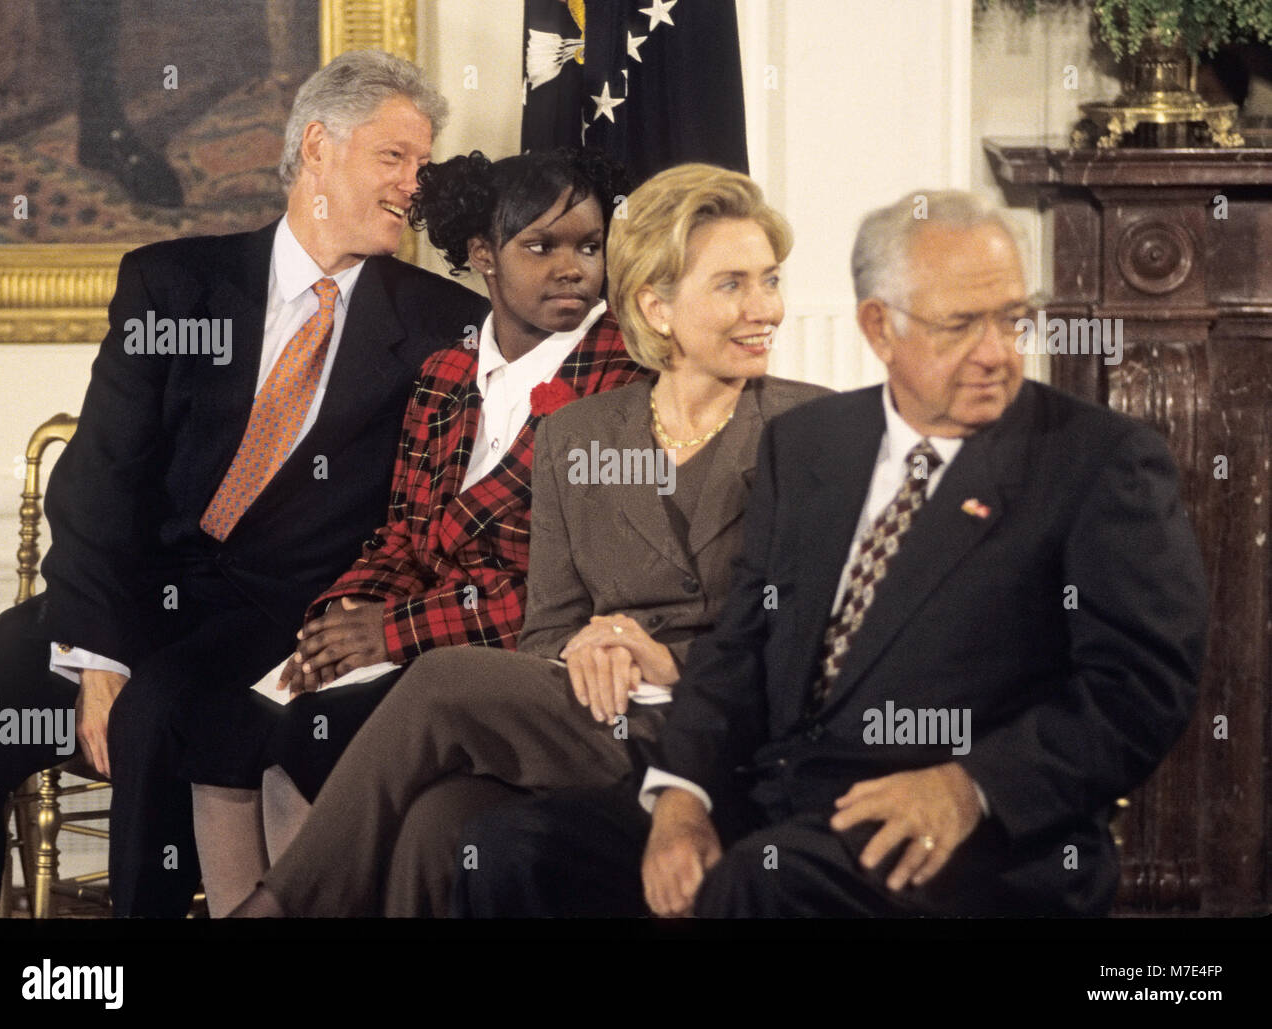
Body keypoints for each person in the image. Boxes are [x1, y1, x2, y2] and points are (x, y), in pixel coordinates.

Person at [453, 189, 1208, 919]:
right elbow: (742, 648)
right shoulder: (815, 444)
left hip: (966, 827)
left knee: (757, 883)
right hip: (779, 792)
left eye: (1011, 320)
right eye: (960, 325)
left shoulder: (1097, 461)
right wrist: (683, 795)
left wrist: (971, 784)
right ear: (880, 328)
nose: (994, 353)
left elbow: (1141, 684)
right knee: (513, 846)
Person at [229, 162, 831, 917]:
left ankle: (274, 909)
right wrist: (591, 646)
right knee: (437, 822)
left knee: (442, 681)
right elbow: (547, 626)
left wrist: (665, 658)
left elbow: (820, 642)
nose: (765, 308)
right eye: (733, 285)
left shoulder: (814, 434)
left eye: (769, 280)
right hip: (594, 713)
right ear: (657, 305)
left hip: (718, 727)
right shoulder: (579, 431)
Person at [0, 50, 489, 918]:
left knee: (159, 727)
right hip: (120, 603)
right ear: (318, 148)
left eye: (425, 164)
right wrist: (97, 654)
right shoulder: (172, 286)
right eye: (395, 158)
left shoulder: (443, 325)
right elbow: (100, 482)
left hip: (273, 629)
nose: (416, 184)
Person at [190, 146, 646, 914]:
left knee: (317, 732)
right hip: (422, 629)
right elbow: (402, 534)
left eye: (589, 246)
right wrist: (341, 617)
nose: (572, 268)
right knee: (232, 719)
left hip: (511, 646)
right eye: (541, 245)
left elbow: (559, 586)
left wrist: (391, 630)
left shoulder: (621, 372)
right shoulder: (444, 376)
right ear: (482, 255)